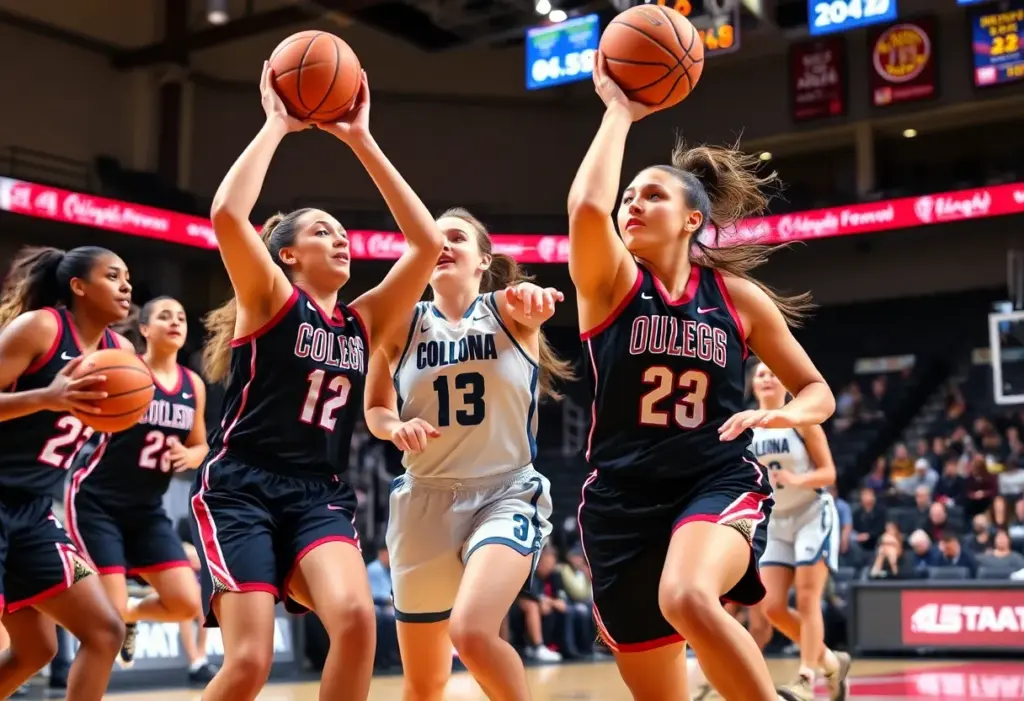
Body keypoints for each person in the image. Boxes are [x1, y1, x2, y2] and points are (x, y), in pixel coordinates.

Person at [566, 56, 835, 701]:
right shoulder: (610, 285)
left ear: (692, 218)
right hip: (622, 499)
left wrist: (784, 415)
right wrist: (621, 113)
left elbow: (818, 391)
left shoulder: (737, 298)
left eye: (652, 194)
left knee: (687, 596)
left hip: (714, 481)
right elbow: (585, 209)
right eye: (629, 195)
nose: (632, 204)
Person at [189, 62, 444, 701]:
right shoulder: (270, 298)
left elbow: (426, 242)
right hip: (240, 488)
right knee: (248, 664)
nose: (340, 240)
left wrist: (361, 138)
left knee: (358, 621)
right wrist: (276, 124)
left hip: (316, 494)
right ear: (288, 255)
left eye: (343, 232)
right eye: (321, 231)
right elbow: (226, 214)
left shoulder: (363, 320)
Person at [365, 207, 571, 700]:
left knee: (473, 632)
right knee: (424, 682)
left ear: (483, 260)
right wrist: (395, 427)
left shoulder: (506, 310)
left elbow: (530, 304)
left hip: (505, 493)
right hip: (424, 503)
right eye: (432, 237)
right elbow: (376, 407)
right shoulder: (400, 323)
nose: (442, 244)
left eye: (455, 237)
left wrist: (536, 301)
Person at [0, 245, 134, 700]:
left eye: (127, 277)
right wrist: (43, 398)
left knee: (99, 633)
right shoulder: (41, 327)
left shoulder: (121, 353)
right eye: (112, 276)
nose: (126, 285)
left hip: (34, 512)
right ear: (78, 286)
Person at [66, 296, 207, 669]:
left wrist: (193, 457)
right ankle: (112, 618)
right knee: (106, 623)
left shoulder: (193, 384)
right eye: (164, 316)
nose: (175, 322)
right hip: (98, 502)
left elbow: (200, 442)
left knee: (186, 603)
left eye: (180, 316)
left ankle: (132, 613)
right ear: (144, 329)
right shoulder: (123, 370)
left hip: (147, 509)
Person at [745, 361, 850, 701]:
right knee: (772, 607)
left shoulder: (801, 420)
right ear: (753, 384)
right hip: (775, 521)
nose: (767, 378)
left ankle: (807, 677)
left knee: (807, 600)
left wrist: (796, 480)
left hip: (811, 513)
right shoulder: (747, 427)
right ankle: (831, 660)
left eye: (773, 373)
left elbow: (829, 474)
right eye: (760, 374)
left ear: (784, 383)